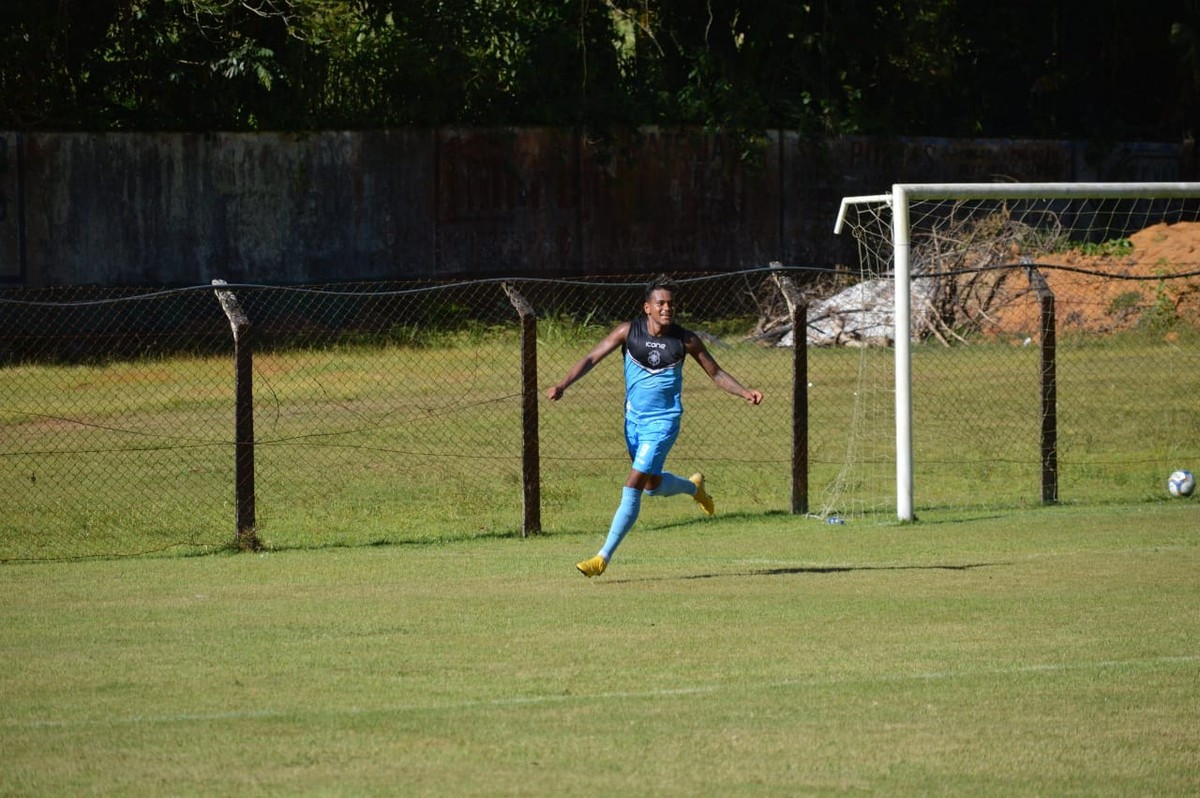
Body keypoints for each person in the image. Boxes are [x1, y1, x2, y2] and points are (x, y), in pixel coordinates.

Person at [546, 276, 764, 577]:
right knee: (650, 486)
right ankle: (694, 487)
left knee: (633, 483)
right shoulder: (628, 331)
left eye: (671, 303)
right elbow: (591, 357)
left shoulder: (685, 340)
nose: (667, 308)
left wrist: (744, 392)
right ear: (647, 307)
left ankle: (602, 558)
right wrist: (563, 384)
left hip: (664, 423)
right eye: (660, 303)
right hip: (633, 422)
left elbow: (716, 373)